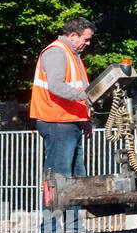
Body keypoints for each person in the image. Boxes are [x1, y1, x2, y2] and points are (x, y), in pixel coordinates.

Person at [30, 17, 95, 183]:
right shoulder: (57, 52)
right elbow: (56, 86)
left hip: (67, 122)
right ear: (73, 35)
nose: (88, 43)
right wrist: (85, 96)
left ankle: (72, 210)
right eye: (86, 39)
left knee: (75, 178)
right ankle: (55, 210)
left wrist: (83, 120)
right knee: (60, 178)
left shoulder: (71, 54)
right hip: (57, 123)